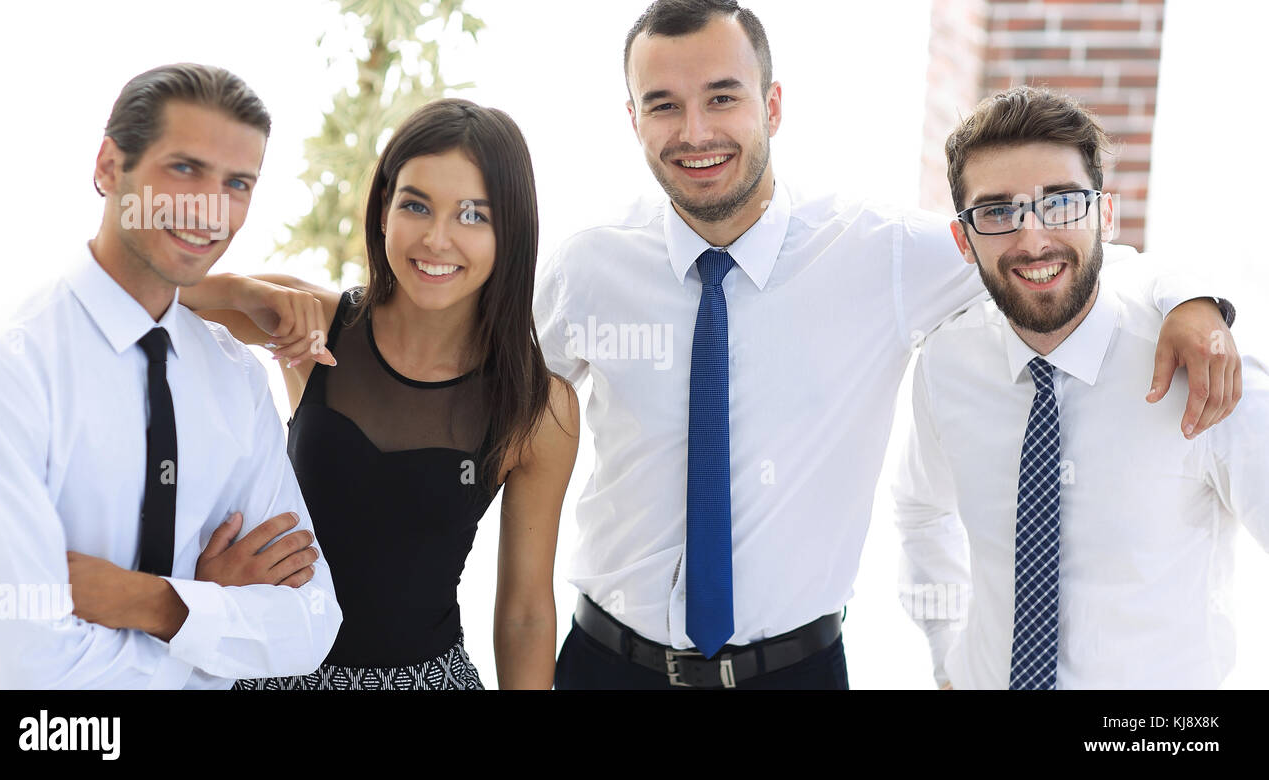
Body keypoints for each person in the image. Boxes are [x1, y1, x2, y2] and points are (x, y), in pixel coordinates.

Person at [533, 0, 1243, 689]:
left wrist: (1191, 297)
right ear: (633, 119)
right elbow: (493, 410)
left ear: (772, 105)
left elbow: (1042, 254)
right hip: (605, 665)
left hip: (795, 673)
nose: (694, 131)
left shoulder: (883, 256)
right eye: (663, 104)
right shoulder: (588, 270)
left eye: (723, 98)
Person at [179, 98, 580, 690]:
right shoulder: (312, 322)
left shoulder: (538, 406)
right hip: (278, 667)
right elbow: (131, 301)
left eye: (473, 215)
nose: (437, 239)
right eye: (416, 205)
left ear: (510, 230)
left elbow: (524, 614)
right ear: (385, 210)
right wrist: (239, 290)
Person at [0, 63, 343, 688]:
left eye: (238, 183)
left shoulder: (235, 378)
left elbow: (308, 624)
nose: (210, 209)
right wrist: (213, 613)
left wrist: (153, 603)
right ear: (109, 166)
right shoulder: (4, 372)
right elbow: (33, 664)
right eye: (186, 168)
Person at [892, 86, 1268, 690]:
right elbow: (921, 510)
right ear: (964, 239)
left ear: (1107, 216)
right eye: (997, 212)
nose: (1033, 239)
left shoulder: (1205, 367)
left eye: (1062, 203)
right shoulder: (947, 363)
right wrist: (948, 659)